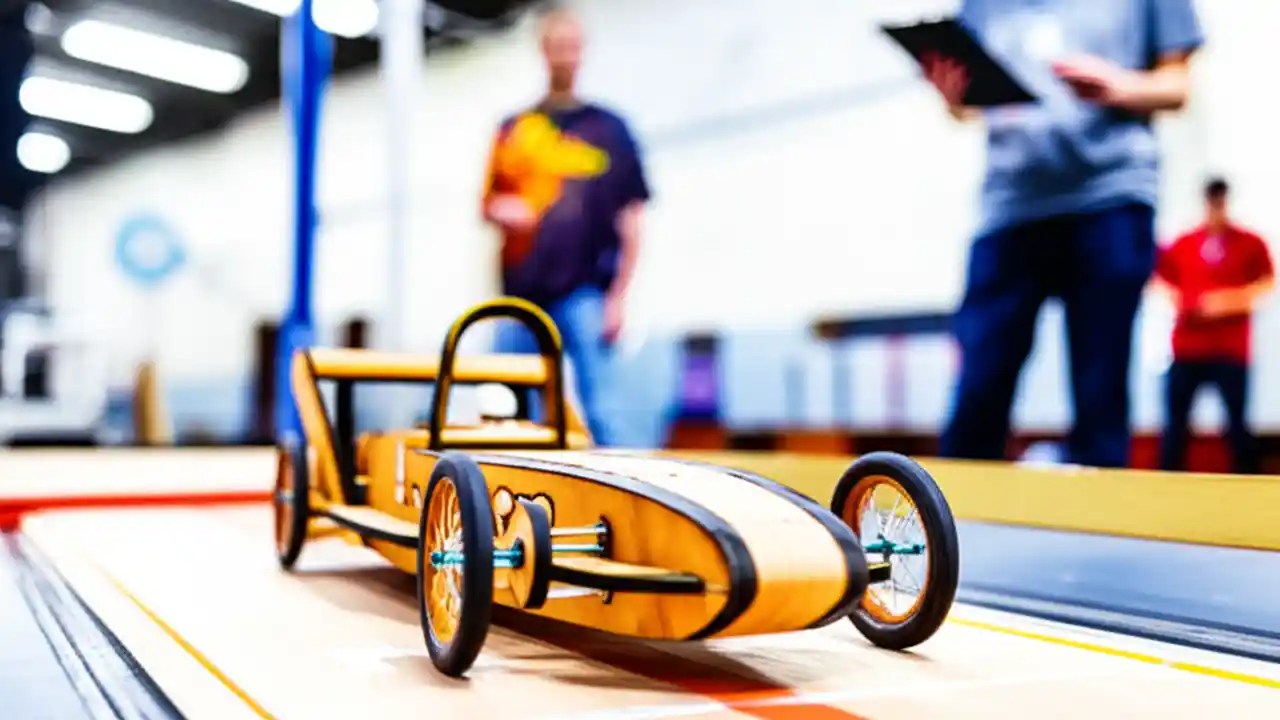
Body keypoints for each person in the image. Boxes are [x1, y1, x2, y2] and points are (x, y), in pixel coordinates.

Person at [929, 0, 1204, 467]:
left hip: (1109, 195)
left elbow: (1178, 84)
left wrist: (1120, 84)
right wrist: (955, 95)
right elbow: (963, 108)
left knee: (1101, 390)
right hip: (1010, 205)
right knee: (979, 387)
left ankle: (1103, 525)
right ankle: (950, 523)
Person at [480, 8, 650, 446]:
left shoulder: (610, 131)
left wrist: (619, 298)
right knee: (511, 411)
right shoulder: (515, 130)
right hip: (520, 297)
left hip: (586, 292)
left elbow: (632, 220)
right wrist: (505, 210)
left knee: (604, 408)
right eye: (556, 46)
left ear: (582, 52)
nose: (564, 56)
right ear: (543, 51)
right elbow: (487, 204)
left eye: (571, 47)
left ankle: (622, 501)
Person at [1154, 178, 1274, 473]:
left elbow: (1267, 283)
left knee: (1236, 425)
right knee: (1175, 426)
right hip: (1187, 348)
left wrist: (1227, 301)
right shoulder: (1184, 243)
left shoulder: (1250, 242)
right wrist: (1182, 301)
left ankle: (1247, 488)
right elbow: (1160, 281)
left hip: (1230, 348)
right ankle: (1168, 487)